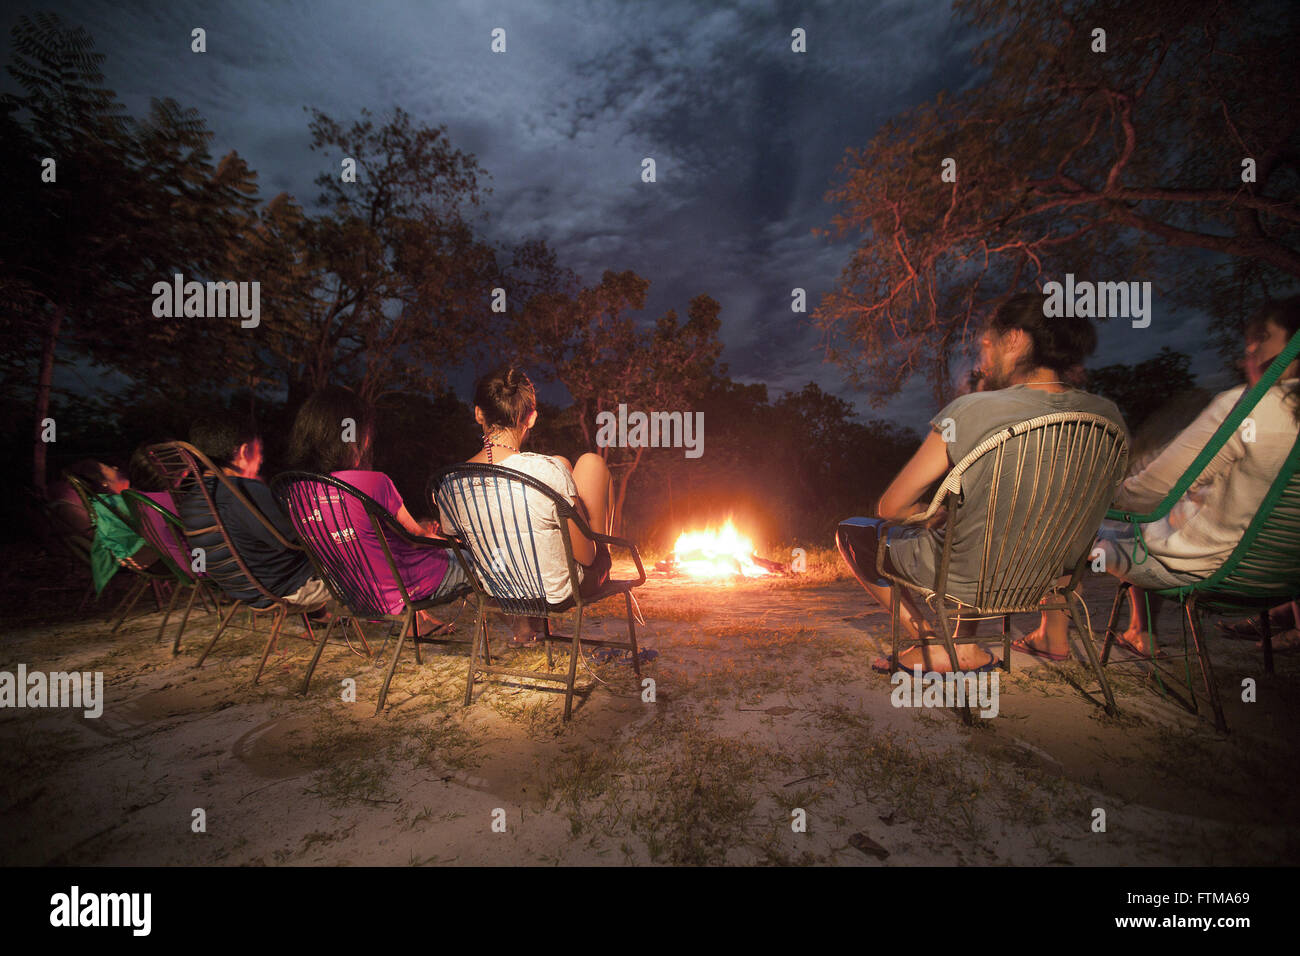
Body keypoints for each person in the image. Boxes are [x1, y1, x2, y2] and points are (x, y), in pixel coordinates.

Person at [835, 293, 1126, 672]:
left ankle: (932, 640)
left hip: (973, 575)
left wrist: (931, 515)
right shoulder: (1106, 415)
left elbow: (891, 507)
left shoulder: (974, 409)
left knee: (855, 531)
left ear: (1016, 340)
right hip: (1053, 574)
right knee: (1014, 518)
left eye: (988, 345)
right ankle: (1052, 636)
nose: (984, 358)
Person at [1019, 296, 1300, 658]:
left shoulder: (1248, 407)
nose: (1250, 348)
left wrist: (1088, 495)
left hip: (1205, 569)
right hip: (1283, 577)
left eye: (1263, 337)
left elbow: (1146, 495)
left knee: (1067, 523)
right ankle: (1140, 633)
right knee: (1150, 523)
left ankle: (1051, 637)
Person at [447, 367, 614, 645]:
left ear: (478, 414)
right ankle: (606, 555)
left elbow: (462, 539)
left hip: (499, 588)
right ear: (532, 418)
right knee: (591, 463)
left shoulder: (451, 482)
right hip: (558, 590)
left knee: (561, 463)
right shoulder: (544, 470)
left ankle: (527, 625)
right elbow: (585, 557)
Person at [286, 385, 467, 631]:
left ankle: (419, 621)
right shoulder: (372, 483)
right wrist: (456, 541)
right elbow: (417, 539)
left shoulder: (296, 493)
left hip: (353, 592)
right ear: (353, 437)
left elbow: (365, 540)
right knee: (477, 559)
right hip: (405, 587)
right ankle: (525, 630)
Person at [179, 417, 329, 612]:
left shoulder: (193, 498)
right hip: (289, 590)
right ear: (244, 451)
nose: (261, 460)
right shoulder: (243, 492)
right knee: (367, 556)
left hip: (243, 591)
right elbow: (300, 540)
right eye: (259, 452)